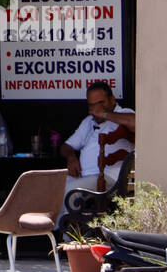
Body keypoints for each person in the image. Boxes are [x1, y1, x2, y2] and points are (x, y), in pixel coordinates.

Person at [57, 81, 135, 229]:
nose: (96, 109)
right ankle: (50, 232)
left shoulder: (124, 113)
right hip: (84, 175)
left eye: (101, 103)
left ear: (112, 100)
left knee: (71, 191)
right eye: (92, 105)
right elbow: (66, 146)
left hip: (110, 178)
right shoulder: (88, 122)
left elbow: (137, 123)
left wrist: (105, 114)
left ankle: (68, 240)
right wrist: (71, 157)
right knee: (52, 184)